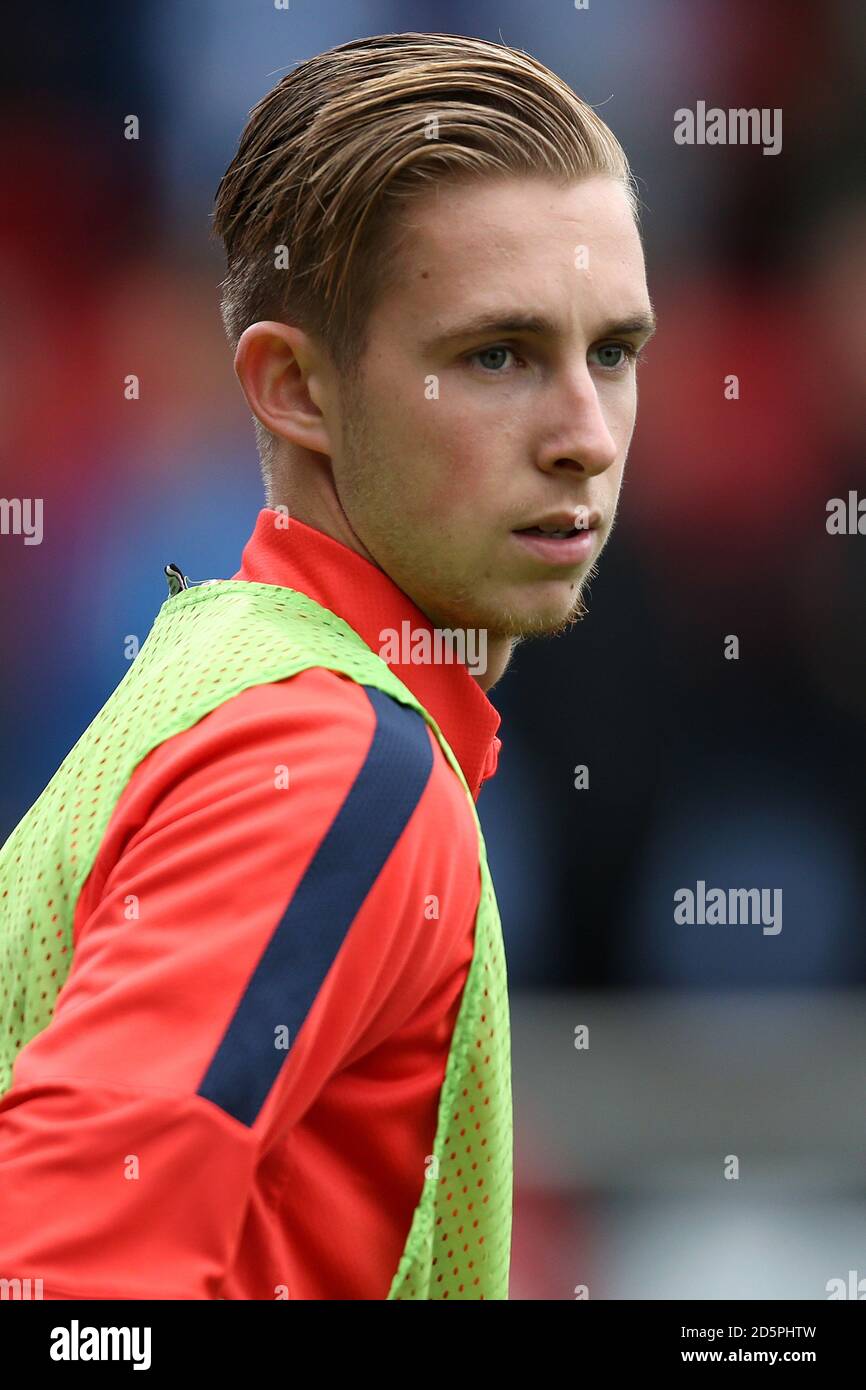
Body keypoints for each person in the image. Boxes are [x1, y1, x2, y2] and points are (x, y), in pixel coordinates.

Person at [0, 31, 654, 1300]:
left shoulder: (229, 666)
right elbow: (64, 1287)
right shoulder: (326, 754)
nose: (584, 435)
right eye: (497, 355)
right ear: (294, 388)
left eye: (612, 353)